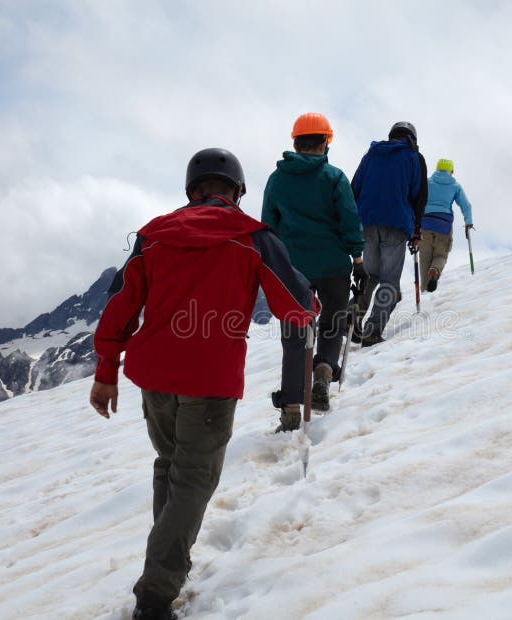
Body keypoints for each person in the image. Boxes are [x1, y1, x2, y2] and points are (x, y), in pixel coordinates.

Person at [89, 148, 316, 620]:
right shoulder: (253, 237)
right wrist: (312, 303)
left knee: (169, 466)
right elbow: (293, 305)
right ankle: (156, 593)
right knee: (192, 480)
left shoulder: (153, 237)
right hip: (210, 382)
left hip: (154, 379)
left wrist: (106, 371)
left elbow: (119, 307)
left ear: (192, 191)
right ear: (236, 191)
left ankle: (168, 563)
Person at [261, 112, 365, 420]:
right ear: (324, 142)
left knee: (295, 333)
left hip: (293, 268)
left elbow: (268, 224)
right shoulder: (334, 177)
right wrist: (357, 258)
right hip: (333, 263)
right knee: (334, 318)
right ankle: (323, 367)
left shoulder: (277, 179)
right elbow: (349, 219)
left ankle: (292, 407)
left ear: (295, 142)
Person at [351, 121, 428, 346]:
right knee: (390, 283)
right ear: (411, 137)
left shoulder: (372, 154)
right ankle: (372, 331)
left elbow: (355, 187)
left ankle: (351, 318)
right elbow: (419, 196)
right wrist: (416, 230)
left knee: (370, 274)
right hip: (396, 225)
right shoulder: (414, 157)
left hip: (366, 222)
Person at [419, 158, 474, 292]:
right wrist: (468, 222)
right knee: (440, 255)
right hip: (443, 224)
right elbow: (466, 205)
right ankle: (435, 270)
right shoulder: (455, 185)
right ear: (451, 171)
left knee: (424, 256)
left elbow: (418, 199)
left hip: (426, 222)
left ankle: (424, 289)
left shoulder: (427, 182)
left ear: (437, 169)